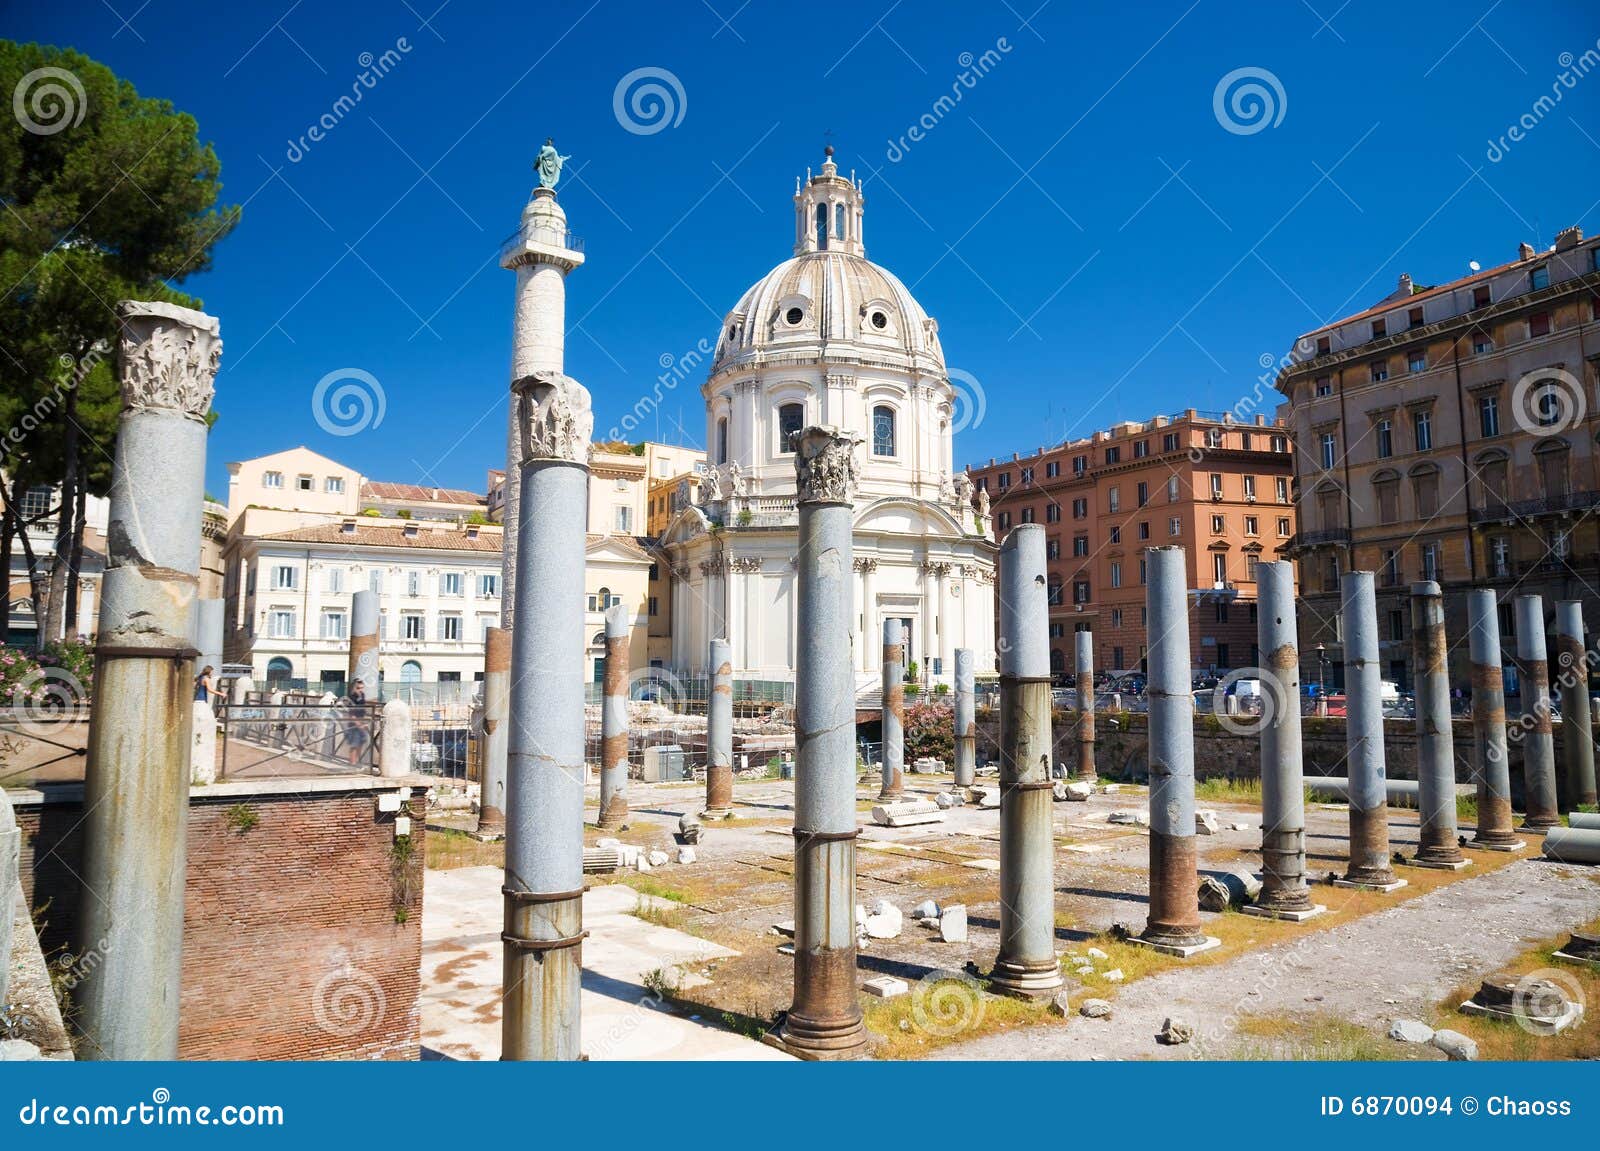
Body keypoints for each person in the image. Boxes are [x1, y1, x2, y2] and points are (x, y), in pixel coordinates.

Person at [344, 679, 371, 767]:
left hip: (361, 721)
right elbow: (351, 714)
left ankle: (357, 762)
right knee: (354, 744)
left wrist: (364, 721)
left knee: (361, 742)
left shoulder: (362, 695)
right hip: (354, 723)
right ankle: (352, 763)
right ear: (354, 688)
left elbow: (363, 708)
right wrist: (358, 723)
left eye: (362, 688)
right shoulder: (352, 697)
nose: (360, 690)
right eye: (358, 688)